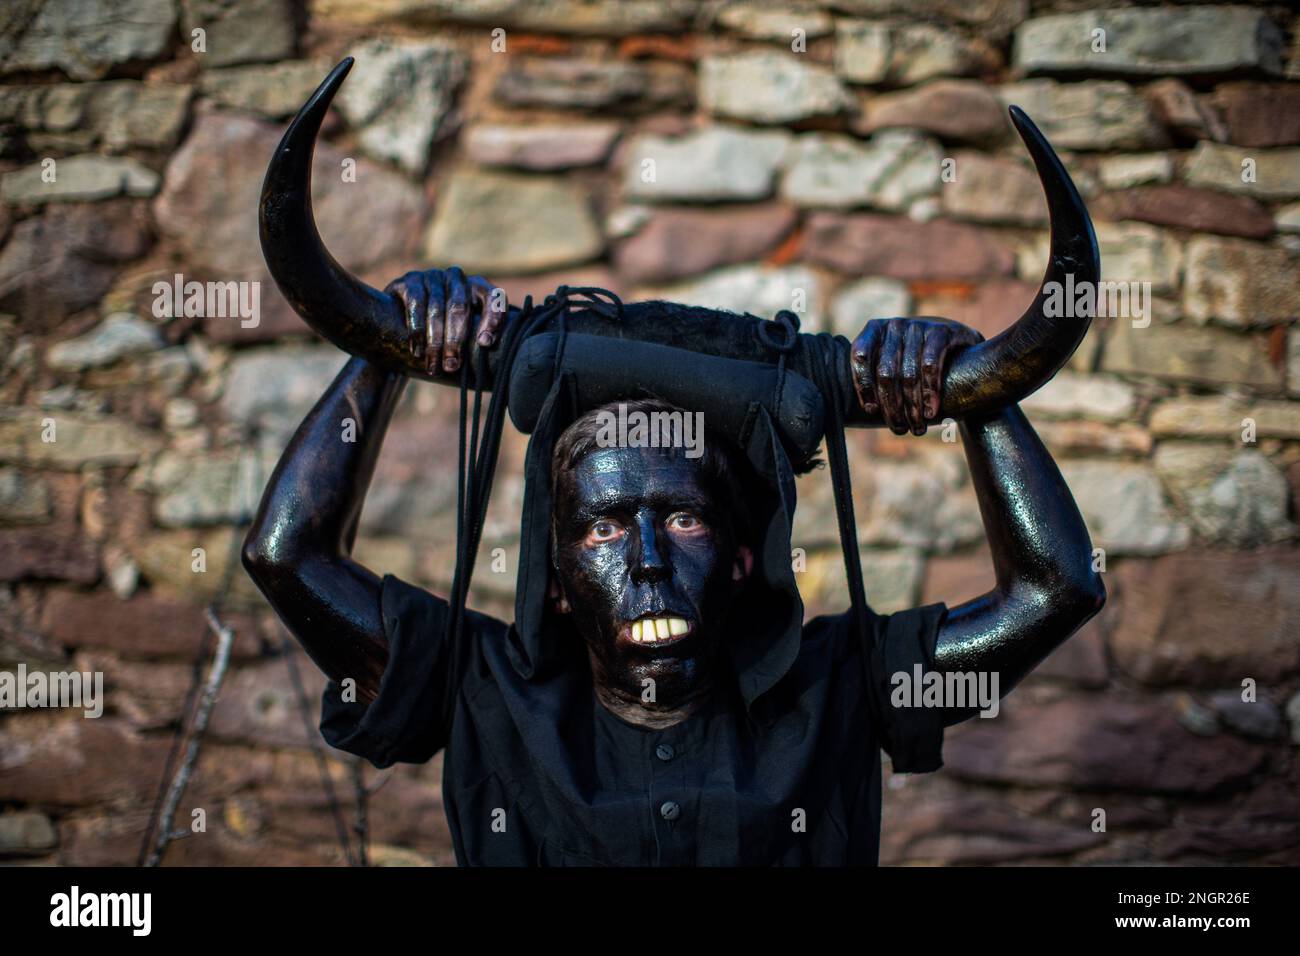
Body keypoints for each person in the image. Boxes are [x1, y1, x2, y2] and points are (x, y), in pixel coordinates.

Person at [242, 266, 1105, 866]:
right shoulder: (477, 686)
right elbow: (285, 555)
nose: (649, 562)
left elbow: (1057, 590)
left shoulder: (841, 682)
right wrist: (390, 343)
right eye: (607, 531)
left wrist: (971, 390)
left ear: (738, 558)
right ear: (556, 576)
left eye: (683, 519)